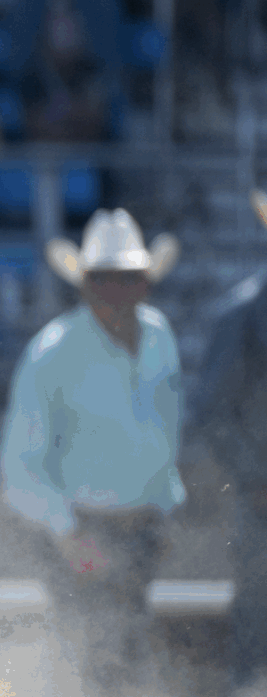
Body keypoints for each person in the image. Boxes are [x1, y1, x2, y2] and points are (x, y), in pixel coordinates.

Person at [0, 207, 184, 697]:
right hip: (81, 528)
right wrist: (68, 531)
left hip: (140, 525)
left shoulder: (160, 336)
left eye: (127, 279)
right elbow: (19, 465)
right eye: (103, 280)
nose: (115, 293)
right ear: (84, 285)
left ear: (145, 282)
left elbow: (167, 426)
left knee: (126, 652)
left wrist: (166, 502)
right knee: (88, 657)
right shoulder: (53, 353)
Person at [190, 190, 267, 697]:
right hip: (262, 500)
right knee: (259, 615)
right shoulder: (241, 317)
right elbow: (213, 410)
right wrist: (256, 478)